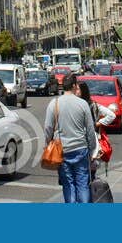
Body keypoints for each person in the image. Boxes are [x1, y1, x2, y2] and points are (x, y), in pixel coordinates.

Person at [42, 73, 97, 204]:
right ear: (74, 86)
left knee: (68, 185)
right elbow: (90, 129)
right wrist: (92, 149)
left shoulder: (54, 104)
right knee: (83, 184)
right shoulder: (83, 104)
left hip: (62, 150)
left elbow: (48, 128)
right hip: (81, 148)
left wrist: (48, 143)